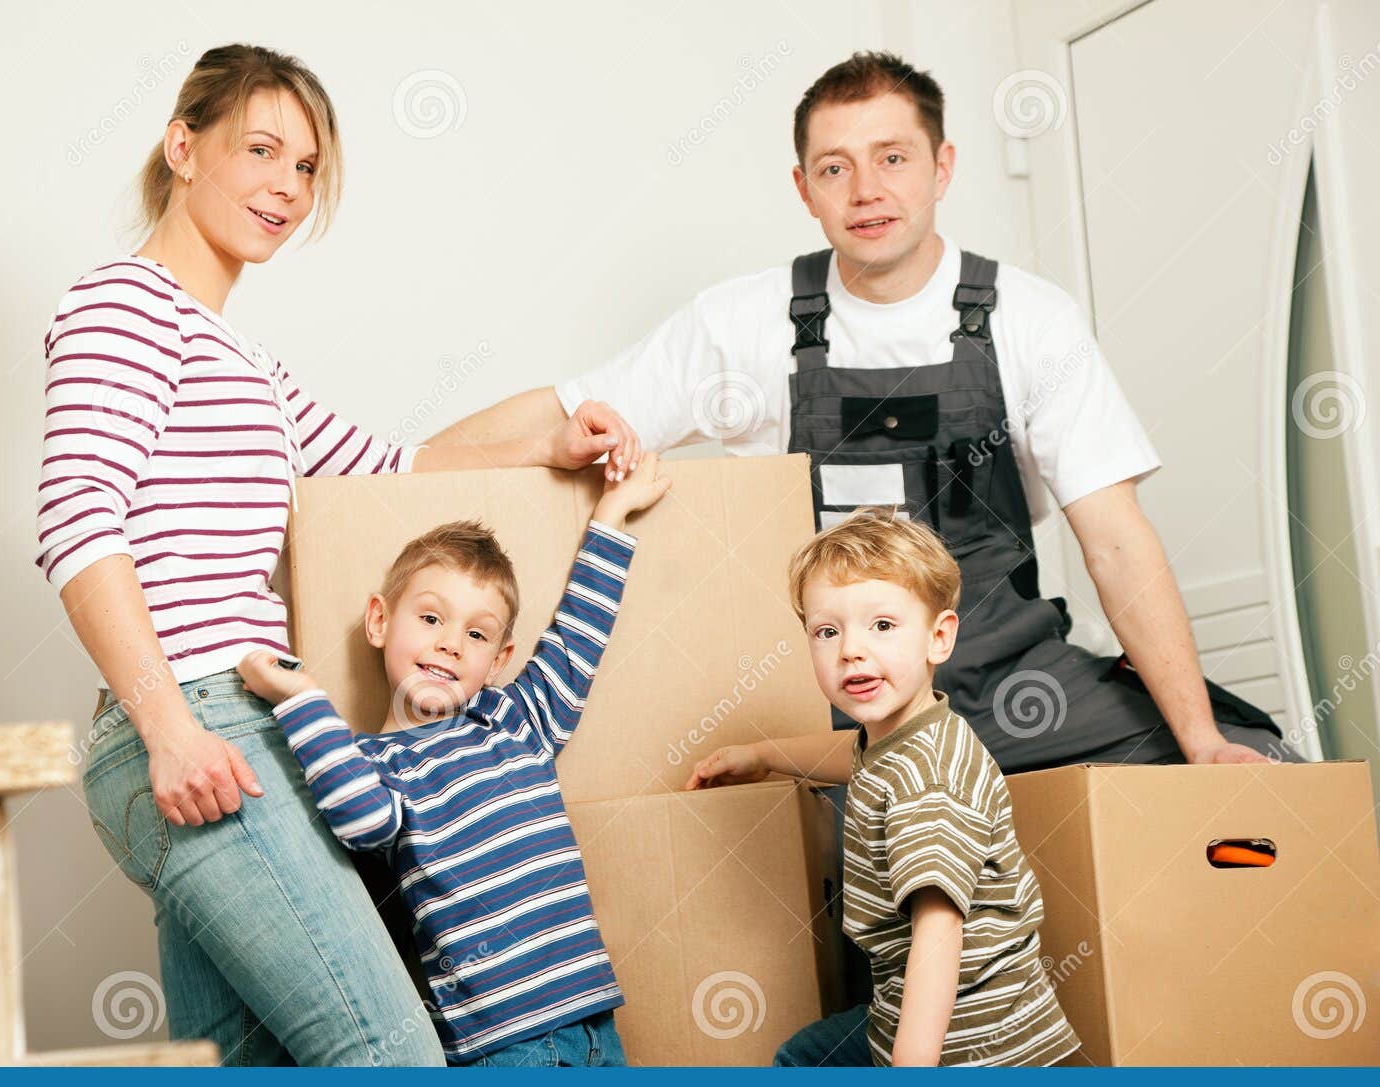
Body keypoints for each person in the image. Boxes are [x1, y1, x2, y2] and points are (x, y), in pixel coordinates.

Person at [432, 51, 1288, 773]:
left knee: (1252, 757)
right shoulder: (744, 322)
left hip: (1009, 682)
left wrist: (1203, 740)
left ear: (942, 167)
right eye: (837, 167)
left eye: (893, 157)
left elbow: (1115, 539)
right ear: (805, 188)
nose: (867, 189)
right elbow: (565, 408)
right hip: (840, 701)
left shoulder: (1031, 318)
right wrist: (399, 465)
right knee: (859, 876)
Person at [36, 44, 631, 1067]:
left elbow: (385, 464)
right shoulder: (123, 305)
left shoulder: (245, 362)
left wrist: (544, 446)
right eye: (260, 149)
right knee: (390, 1059)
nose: (286, 186)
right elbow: (75, 520)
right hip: (193, 721)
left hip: (233, 723)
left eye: (306, 167)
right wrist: (171, 725)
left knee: (243, 1080)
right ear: (184, 146)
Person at [235, 454, 670, 1064]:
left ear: (498, 660)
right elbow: (362, 823)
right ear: (380, 620)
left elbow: (577, 635)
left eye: (476, 633)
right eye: (432, 617)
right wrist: (300, 697)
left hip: (594, 1023)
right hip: (499, 1045)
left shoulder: (516, 722)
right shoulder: (365, 759)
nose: (449, 642)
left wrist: (610, 515)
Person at [687, 509, 1081, 1066]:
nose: (851, 649)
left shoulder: (929, 781)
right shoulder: (903, 738)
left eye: (882, 625)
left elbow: (939, 931)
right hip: (922, 1006)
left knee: (801, 1063)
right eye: (828, 631)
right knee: (808, 1055)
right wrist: (764, 756)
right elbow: (852, 759)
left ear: (938, 638)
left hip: (972, 1043)